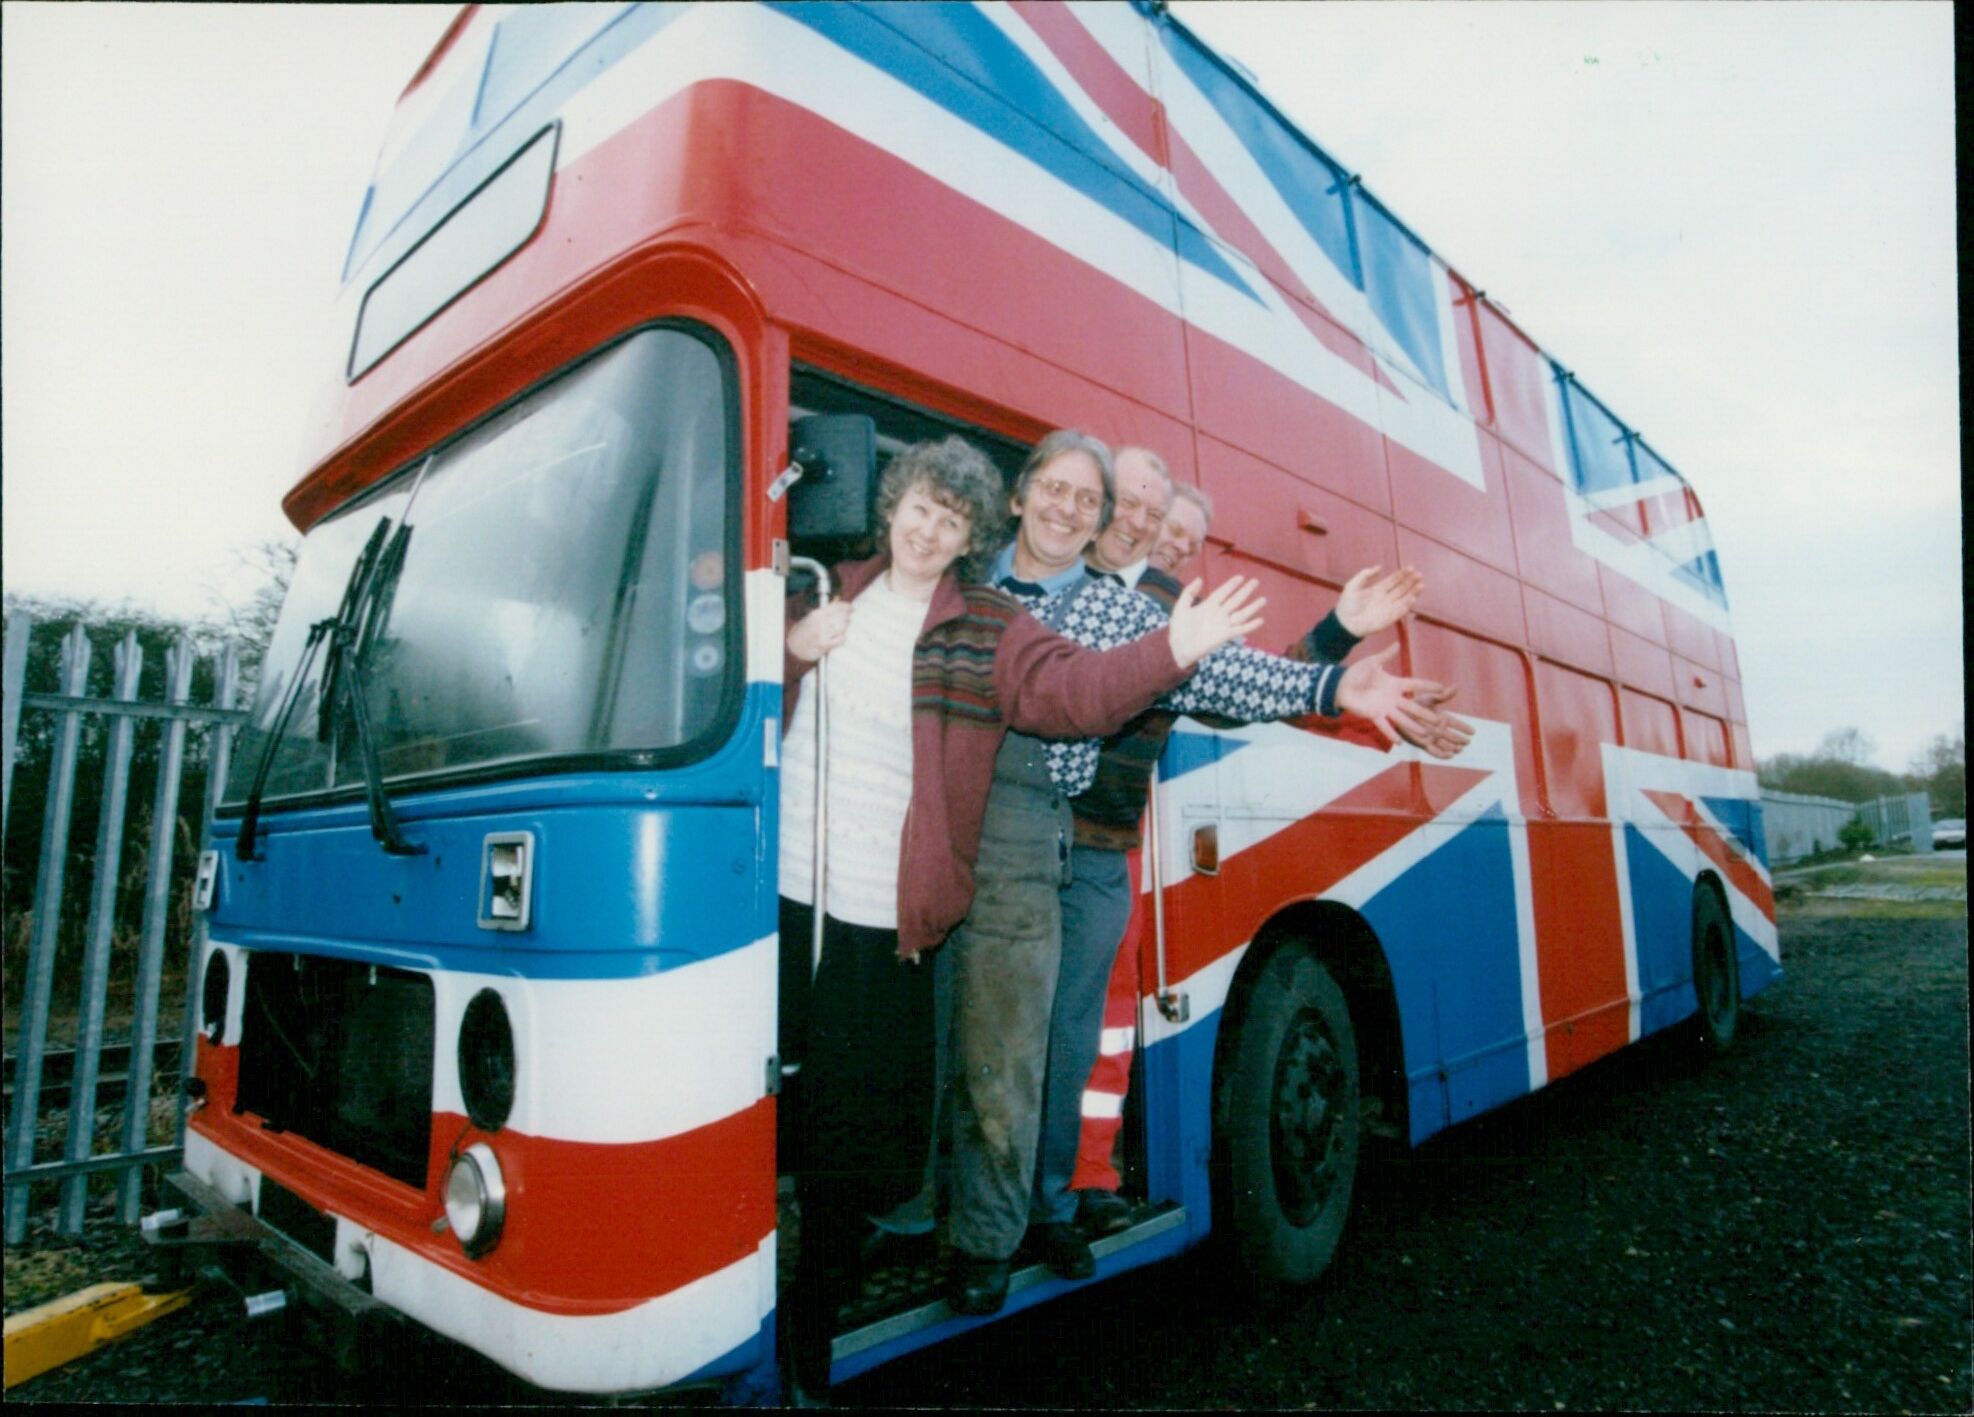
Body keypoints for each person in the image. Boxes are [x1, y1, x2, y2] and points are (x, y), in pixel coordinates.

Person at [776, 435, 1266, 1395]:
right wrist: (791, 650)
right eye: (920, 507)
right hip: (782, 902)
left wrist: (1176, 648)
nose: (929, 529)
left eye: (950, 518)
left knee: (870, 1116)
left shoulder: (986, 623)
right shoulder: (822, 590)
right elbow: (717, 666)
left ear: (971, 534)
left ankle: (816, 1332)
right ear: (892, 507)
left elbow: (1076, 693)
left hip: (886, 912)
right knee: (782, 1107)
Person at [939, 433, 1468, 1315]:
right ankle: (982, 1225)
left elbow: (1235, 680)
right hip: (1001, 841)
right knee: (997, 1038)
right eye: (1127, 504)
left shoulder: (1139, 608)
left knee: (1069, 1039)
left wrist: (1337, 671)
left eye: (1153, 515)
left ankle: (1051, 1207)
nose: (1135, 523)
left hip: (1097, 849)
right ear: (1032, 497)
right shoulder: (985, 588)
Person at [1061, 471, 1469, 1240]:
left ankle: (1084, 1177)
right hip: (1034, 836)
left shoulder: (1167, 611)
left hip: (1108, 843)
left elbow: (1251, 685)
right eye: (1161, 527)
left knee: (1105, 1018)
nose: (1169, 547)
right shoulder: (1069, 588)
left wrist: (1337, 641)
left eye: (1184, 542)